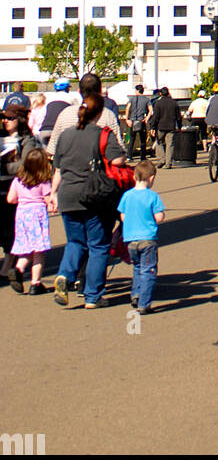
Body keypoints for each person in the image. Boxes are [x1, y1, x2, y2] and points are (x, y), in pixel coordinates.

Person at [49, 94, 130, 309]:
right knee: (98, 245)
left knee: (75, 242)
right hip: (95, 194)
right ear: (100, 113)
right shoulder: (103, 134)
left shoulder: (66, 135)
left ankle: (65, 276)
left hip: (68, 193)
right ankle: (93, 296)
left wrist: (52, 193)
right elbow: (117, 159)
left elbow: (58, 167)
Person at [0, 106, 42, 280]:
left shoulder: (27, 140)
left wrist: (4, 167)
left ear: (20, 120)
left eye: (10, 118)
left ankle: (9, 263)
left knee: (10, 228)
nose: (6, 121)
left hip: (13, 189)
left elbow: (25, 165)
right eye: (4, 118)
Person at [118, 160, 165, 314]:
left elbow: (123, 216)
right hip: (147, 238)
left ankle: (136, 293)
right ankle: (144, 303)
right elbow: (159, 217)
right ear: (151, 178)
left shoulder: (127, 195)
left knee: (137, 267)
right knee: (148, 270)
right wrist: (157, 217)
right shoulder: (152, 196)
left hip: (130, 239)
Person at [7, 147, 53, 294]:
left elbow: (11, 199)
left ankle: (18, 269)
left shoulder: (17, 180)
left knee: (25, 248)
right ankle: (35, 283)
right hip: (37, 214)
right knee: (39, 251)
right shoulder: (43, 181)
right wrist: (52, 205)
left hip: (22, 214)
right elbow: (47, 199)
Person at [47, 74, 120, 155]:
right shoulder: (108, 115)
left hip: (67, 164)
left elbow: (52, 149)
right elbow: (118, 149)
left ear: (79, 91)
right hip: (98, 163)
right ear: (100, 92)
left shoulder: (65, 113)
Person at [150, 87, 181, 170]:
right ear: (168, 93)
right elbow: (178, 116)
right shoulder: (174, 103)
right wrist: (180, 126)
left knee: (159, 142)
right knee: (170, 145)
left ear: (160, 94)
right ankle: (168, 163)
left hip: (161, 126)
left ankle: (162, 159)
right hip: (171, 126)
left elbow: (155, 116)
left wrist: (152, 127)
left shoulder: (158, 103)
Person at [125, 85, 151, 162]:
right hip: (141, 121)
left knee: (132, 139)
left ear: (137, 90)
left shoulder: (132, 99)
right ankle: (142, 156)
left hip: (133, 121)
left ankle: (129, 156)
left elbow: (127, 108)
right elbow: (151, 109)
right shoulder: (146, 100)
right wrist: (147, 118)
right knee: (143, 140)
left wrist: (127, 119)